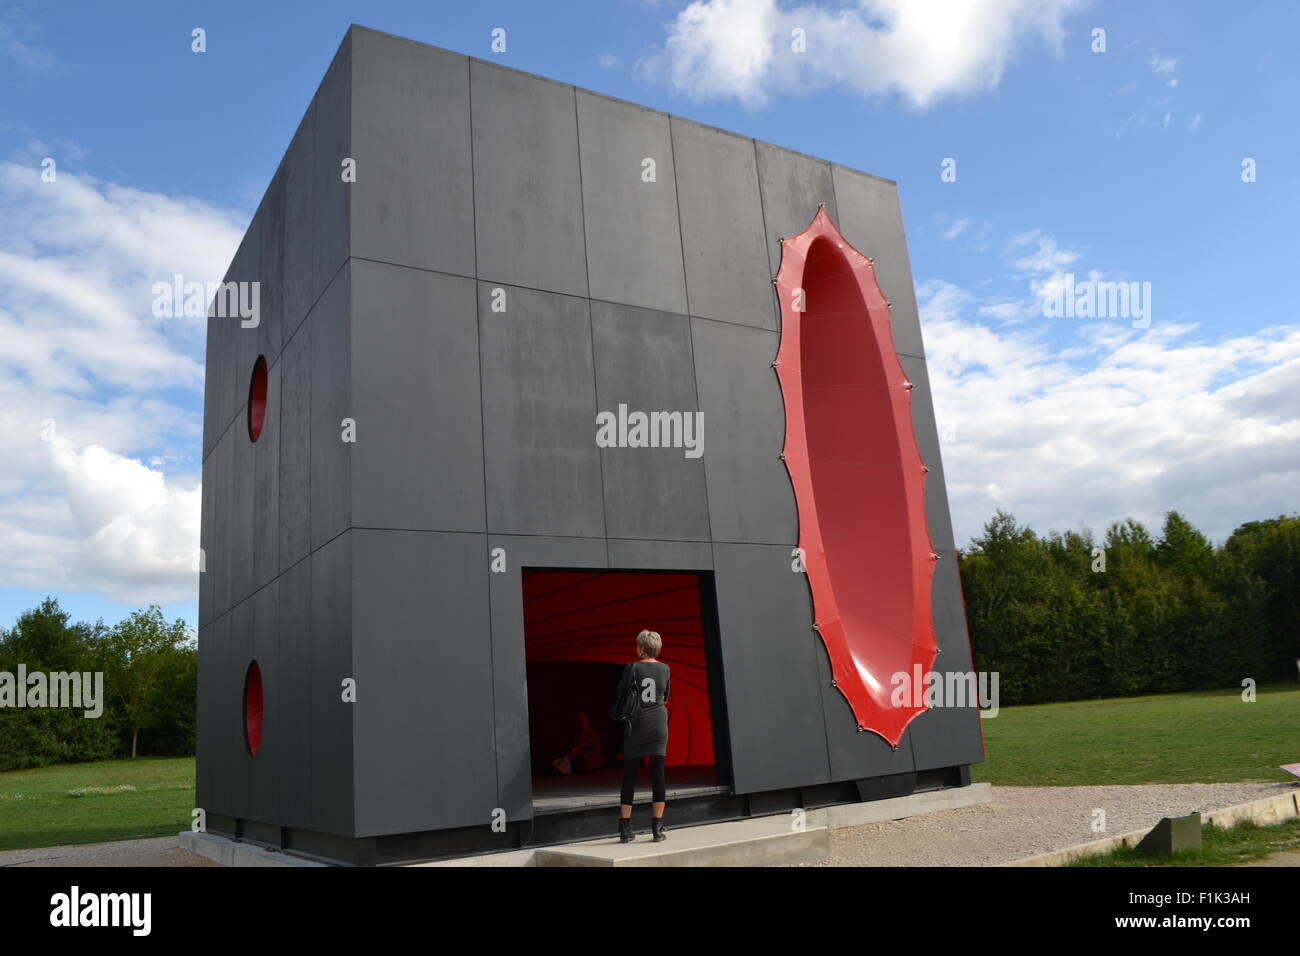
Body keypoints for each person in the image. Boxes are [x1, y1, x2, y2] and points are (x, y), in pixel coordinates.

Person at [615, 629, 671, 842]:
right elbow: (665, 696)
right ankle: (657, 828)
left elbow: (621, 692)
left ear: (640, 647)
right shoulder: (666, 669)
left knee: (630, 775)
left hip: (636, 723)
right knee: (658, 774)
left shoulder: (633, 667)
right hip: (658, 723)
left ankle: (625, 829)